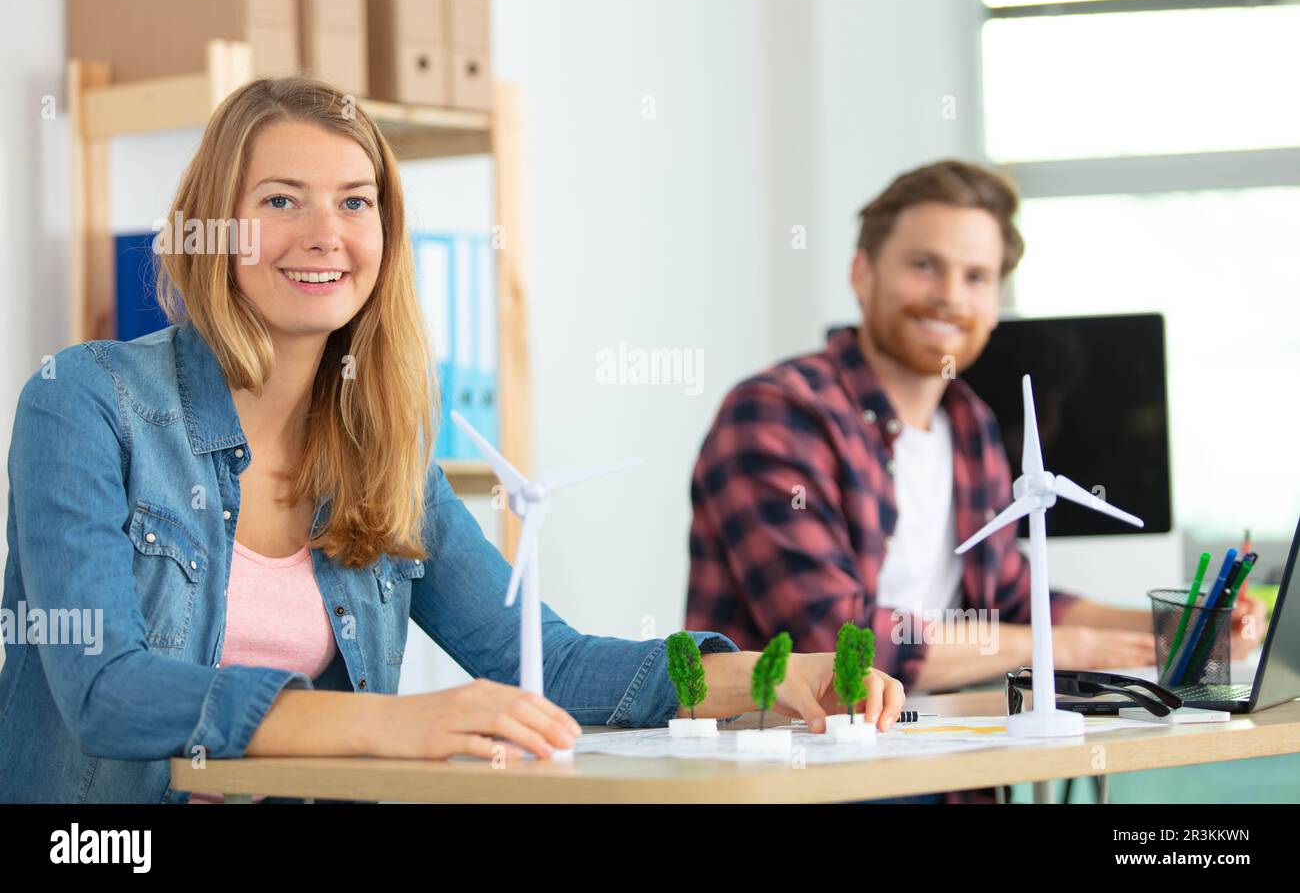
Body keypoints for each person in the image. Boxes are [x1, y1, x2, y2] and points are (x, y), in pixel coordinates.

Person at [0, 76, 903, 803]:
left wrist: (771, 674)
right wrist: (392, 727)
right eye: (282, 200)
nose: (326, 235)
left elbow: (555, 665)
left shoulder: (383, 446)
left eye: (357, 203)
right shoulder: (86, 400)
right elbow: (106, 690)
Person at [687, 158, 1264, 697]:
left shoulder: (970, 426)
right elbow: (834, 643)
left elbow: (1013, 599)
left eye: (976, 277)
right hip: (804, 768)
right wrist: (1063, 648)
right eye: (923, 265)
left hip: (954, 761)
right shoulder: (776, 415)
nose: (949, 298)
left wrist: (1189, 628)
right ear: (862, 272)